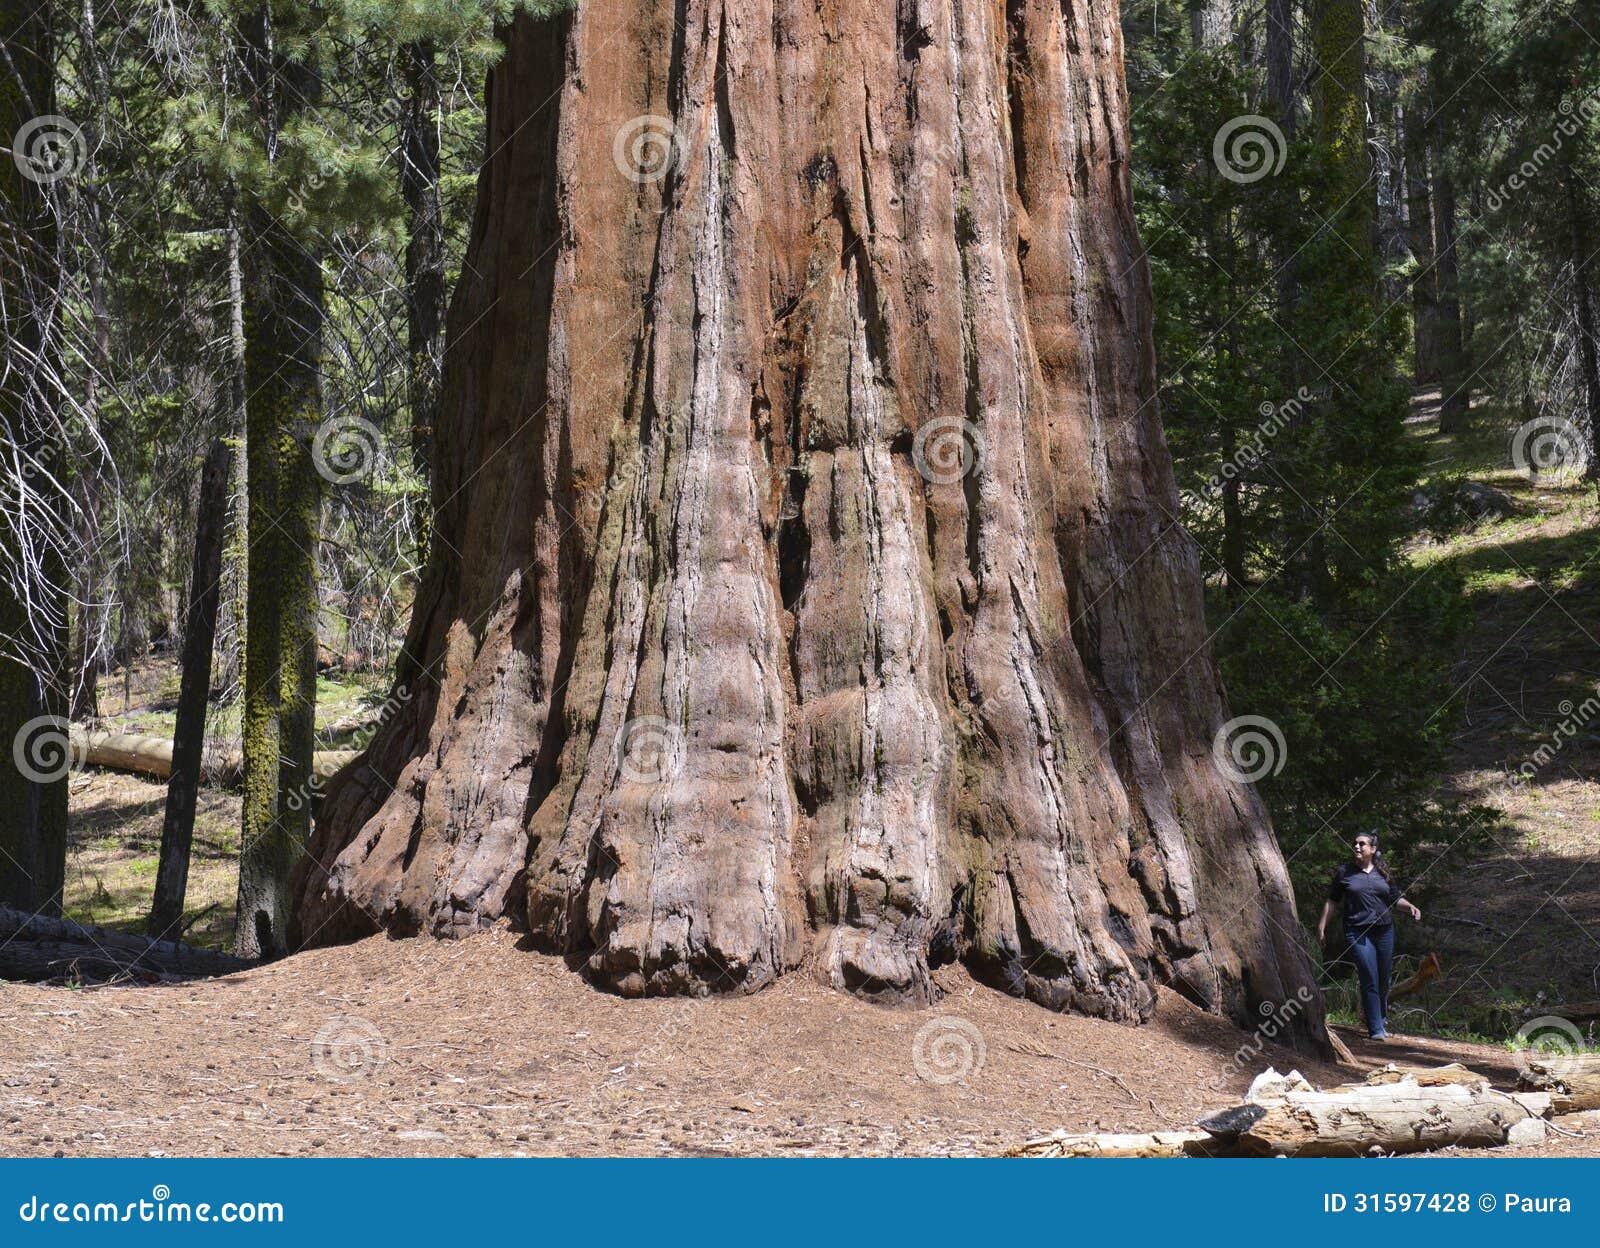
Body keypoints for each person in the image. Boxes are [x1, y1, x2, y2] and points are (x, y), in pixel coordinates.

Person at [1316, 833, 1422, 1040]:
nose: (1356, 846)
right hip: (1357, 931)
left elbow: (1395, 899)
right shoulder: (1344, 873)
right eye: (1354, 843)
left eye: (1362, 844)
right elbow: (1332, 901)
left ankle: (1380, 1019)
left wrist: (1409, 907)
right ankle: (1376, 1029)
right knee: (1369, 975)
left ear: (1372, 849)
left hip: (1384, 931)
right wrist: (1322, 925)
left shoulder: (1383, 873)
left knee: (1384, 978)